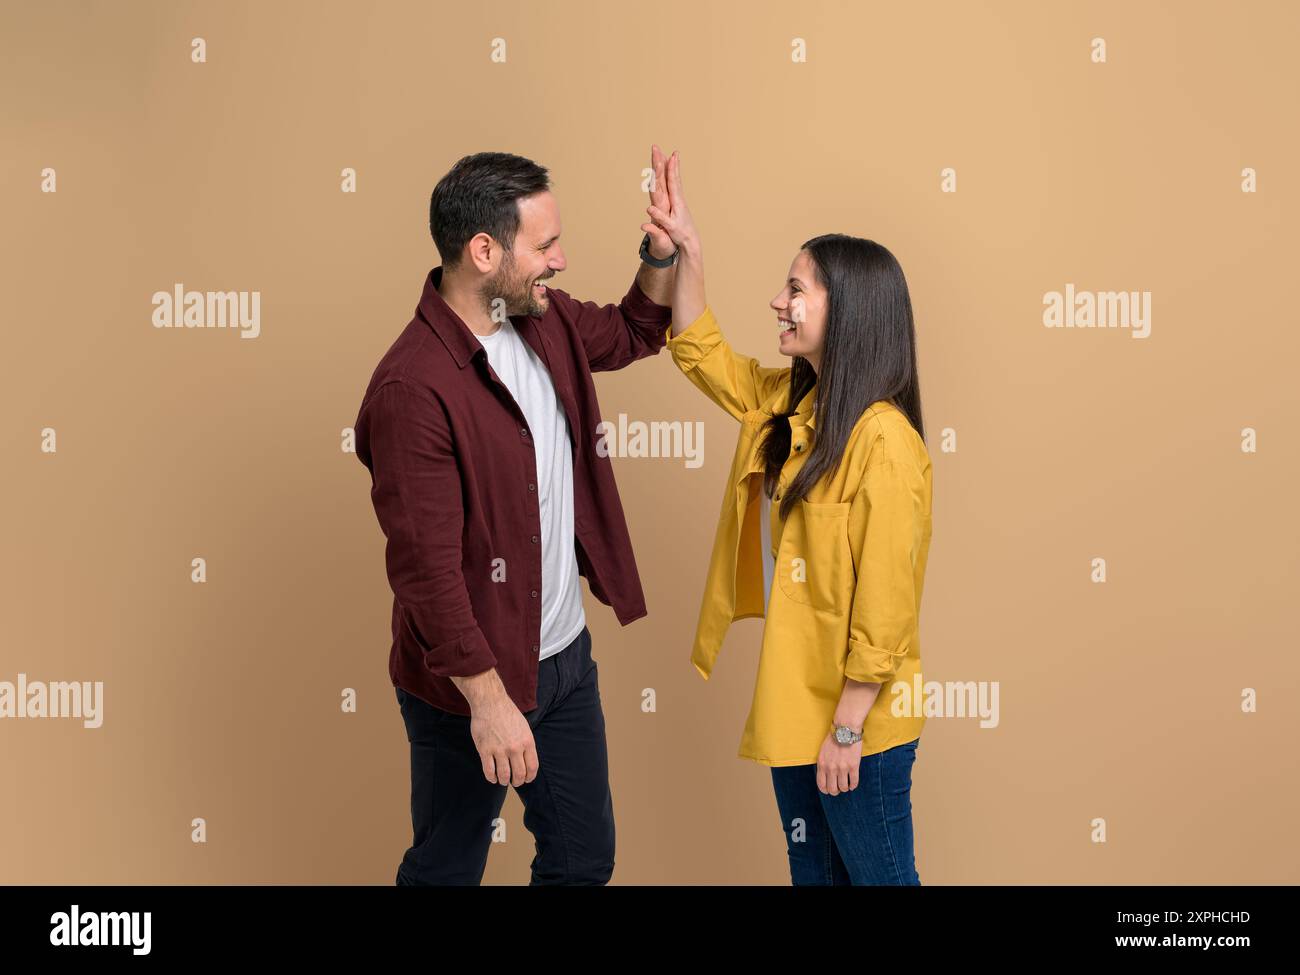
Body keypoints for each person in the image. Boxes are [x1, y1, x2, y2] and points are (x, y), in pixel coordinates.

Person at [353, 148, 680, 884]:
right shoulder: (413, 388)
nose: (561, 260)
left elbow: (635, 329)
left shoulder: (543, 319)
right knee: (446, 869)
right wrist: (488, 699)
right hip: (467, 685)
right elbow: (426, 571)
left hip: (563, 664)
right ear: (483, 251)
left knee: (582, 860)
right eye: (545, 246)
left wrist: (658, 251)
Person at [648, 151, 933, 885]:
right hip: (793, 709)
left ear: (850, 312)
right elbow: (703, 355)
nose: (779, 301)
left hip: (856, 723)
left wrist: (847, 727)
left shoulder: (884, 443)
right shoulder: (790, 403)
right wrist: (689, 251)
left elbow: (887, 608)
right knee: (816, 878)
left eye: (796, 289)